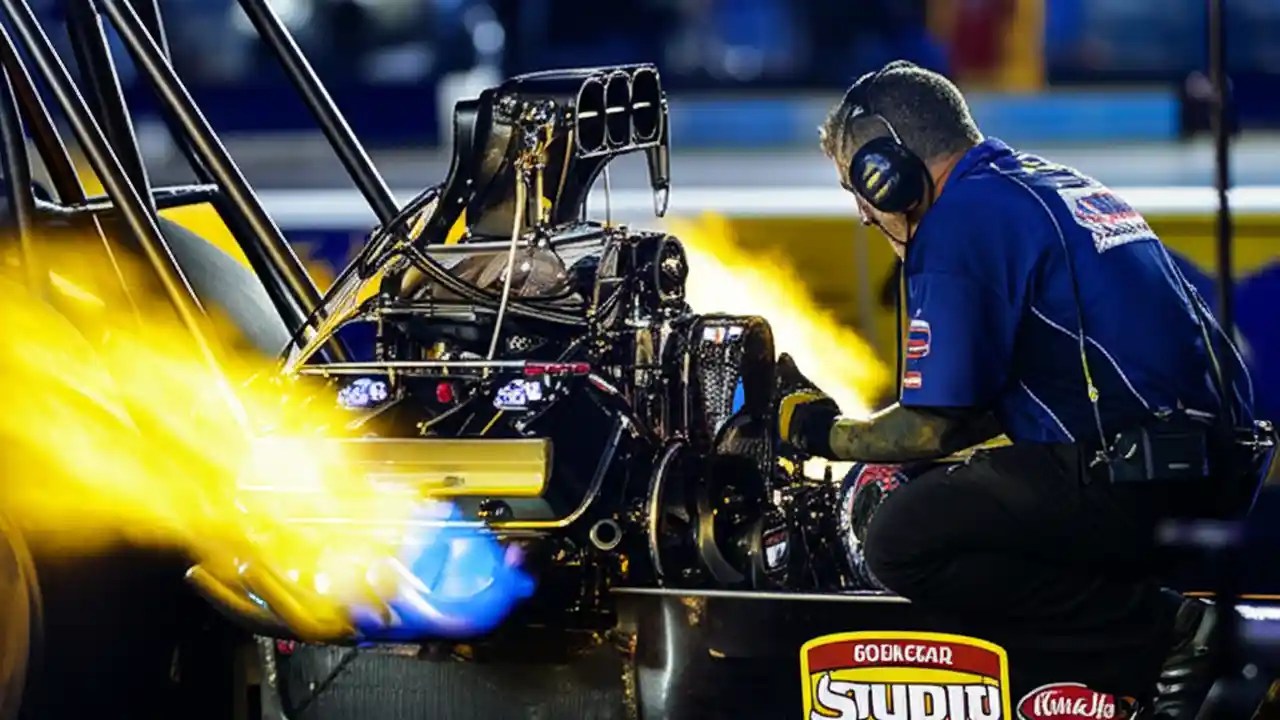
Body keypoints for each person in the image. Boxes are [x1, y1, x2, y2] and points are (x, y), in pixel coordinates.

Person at [778, 60, 1259, 717]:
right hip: (1209, 466)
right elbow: (985, 401)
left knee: (902, 537)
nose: (864, 214)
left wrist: (815, 431)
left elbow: (934, 425)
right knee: (973, 491)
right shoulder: (1041, 185)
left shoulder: (960, 222)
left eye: (854, 187)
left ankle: (1166, 631)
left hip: (1145, 478)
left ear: (884, 171)